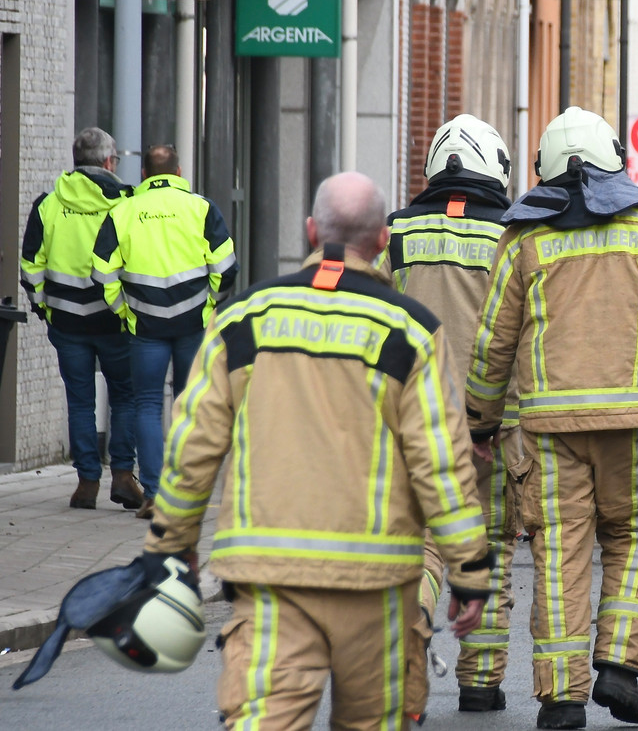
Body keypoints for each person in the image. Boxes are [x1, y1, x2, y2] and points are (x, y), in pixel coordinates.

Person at [141, 171, 492, 728]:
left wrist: (169, 545)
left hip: (270, 581)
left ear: (311, 231)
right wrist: (470, 571)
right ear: (382, 241)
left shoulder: (242, 322)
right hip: (377, 586)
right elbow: (441, 466)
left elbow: (193, 449)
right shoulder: (411, 332)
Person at [466, 106, 638, 730]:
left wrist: (480, 421)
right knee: (635, 540)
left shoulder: (524, 239)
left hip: (548, 436)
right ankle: (619, 668)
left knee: (559, 554)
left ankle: (562, 699)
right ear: (614, 161)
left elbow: (493, 341)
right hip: (633, 430)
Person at [381, 114, 523, 719]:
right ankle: (481, 682)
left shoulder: (397, 232)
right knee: (490, 545)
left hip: (414, 418)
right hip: (492, 420)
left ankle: (412, 614)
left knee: (422, 539)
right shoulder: (512, 234)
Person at [92, 144, 237, 519]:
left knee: (147, 404)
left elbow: (101, 273)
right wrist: (209, 304)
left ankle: (155, 493)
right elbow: (227, 267)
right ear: (179, 171)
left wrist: (124, 311)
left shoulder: (123, 211)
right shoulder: (201, 208)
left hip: (145, 325)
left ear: (144, 176)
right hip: (192, 323)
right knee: (191, 405)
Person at [19, 127, 141, 511]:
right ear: (109, 162)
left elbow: (29, 265)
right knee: (126, 396)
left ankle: (86, 482)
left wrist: (44, 307)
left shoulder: (49, 204)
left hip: (67, 322)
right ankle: (122, 475)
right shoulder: (125, 203)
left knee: (79, 401)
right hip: (114, 320)